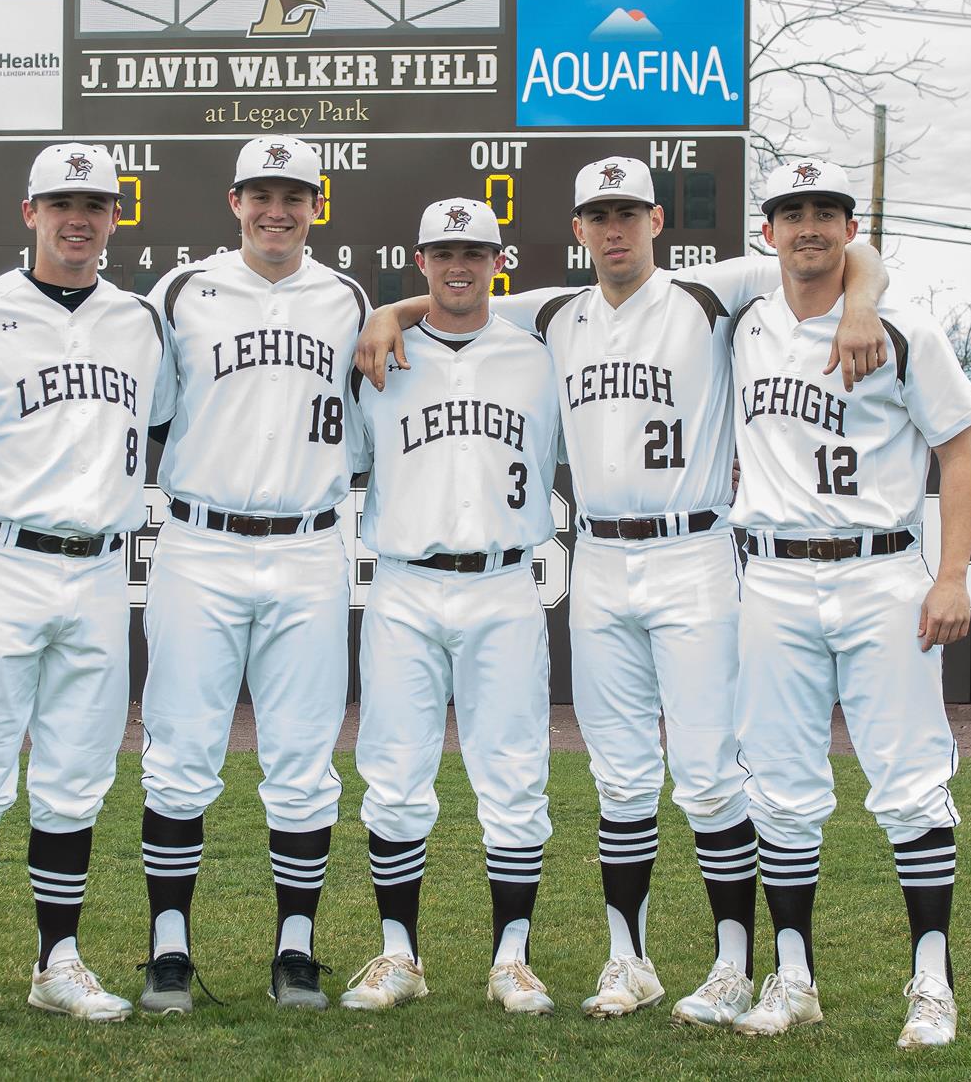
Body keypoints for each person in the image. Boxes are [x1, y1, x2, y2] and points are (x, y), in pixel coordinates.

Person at [354, 157, 888, 1023]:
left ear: (656, 221)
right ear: (577, 229)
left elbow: (826, 254)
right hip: (599, 558)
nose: (614, 229)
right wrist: (389, 311)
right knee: (622, 777)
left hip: (694, 550)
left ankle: (732, 964)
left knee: (710, 774)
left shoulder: (710, 292)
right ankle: (628, 958)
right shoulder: (554, 312)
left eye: (628, 213)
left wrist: (861, 303)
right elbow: (458, 302)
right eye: (598, 216)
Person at [725, 158, 971, 1049]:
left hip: (881, 573)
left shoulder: (905, 327)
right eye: (792, 212)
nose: (809, 226)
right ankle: (792, 975)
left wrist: (952, 575)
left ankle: (932, 983)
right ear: (767, 231)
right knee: (780, 790)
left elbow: (961, 455)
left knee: (911, 785)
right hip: (773, 576)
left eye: (826, 212)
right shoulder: (740, 321)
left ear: (850, 226)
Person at [0, 143, 177, 1026]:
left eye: (95, 204)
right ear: (29, 211)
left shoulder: (142, 322)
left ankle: (56, 959)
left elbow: (162, 424)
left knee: (76, 772)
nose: (79, 219)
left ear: (115, 217)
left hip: (102, 564)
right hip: (1, 557)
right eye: (62, 203)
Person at [135, 136, 369, 1013]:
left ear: (318, 205)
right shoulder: (182, 291)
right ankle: (168, 948)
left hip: (309, 543)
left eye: (294, 195)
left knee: (304, 758)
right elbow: (145, 411)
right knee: (180, 754)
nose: (278, 210)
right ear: (235, 202)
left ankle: (296, 947)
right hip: (201, 541)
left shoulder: (348, 299)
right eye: (262, 195)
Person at [337, 199, 561, 1016]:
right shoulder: (377, 353)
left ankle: (513, 958)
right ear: (420, 259)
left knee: (514, 774)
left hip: (504, 581)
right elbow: (347, 458)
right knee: (395, 774)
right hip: (405, 581)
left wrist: (387, 309)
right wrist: (385, 317)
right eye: (443, 251)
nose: (458, 265)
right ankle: (400, 952)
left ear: (500, 261)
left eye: (474, 251)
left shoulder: (541, 350)